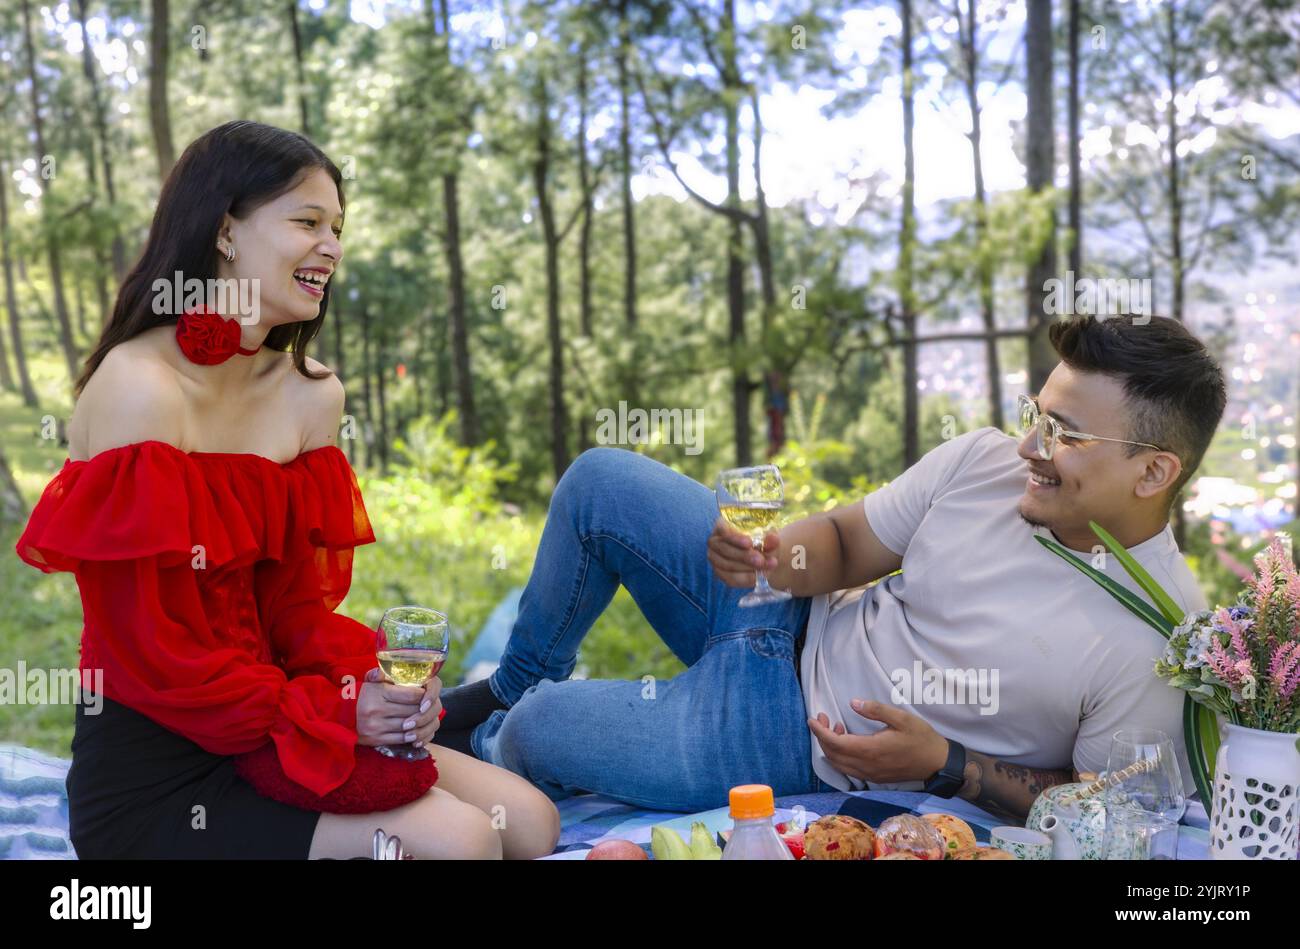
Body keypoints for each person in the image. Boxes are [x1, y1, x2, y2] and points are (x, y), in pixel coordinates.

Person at [14, 120, 559, 860]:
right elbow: (152, 653)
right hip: (162, 769)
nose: (331, 246)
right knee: (461, 840)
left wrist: (378, 688)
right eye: (307, 222)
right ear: (226, 230)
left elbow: (297, 610)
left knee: (528, 821)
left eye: (337, 226)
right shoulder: (139, 388)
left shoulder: (311, 395)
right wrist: (336, 712)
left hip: (275, 726)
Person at [438, 314, 1226, 824]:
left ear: (1154, 472)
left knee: (543, 726)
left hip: (781, 735)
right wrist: (776, 557)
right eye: (1036, 416)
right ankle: (502, 685)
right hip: (780, 612)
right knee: (600, 481)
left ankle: (495, 728)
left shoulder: (1160, 639)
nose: (1029, 447)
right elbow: (848, 542)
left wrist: (947, 766)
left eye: (1064, 434)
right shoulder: (985, 461)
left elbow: (1103, 812)